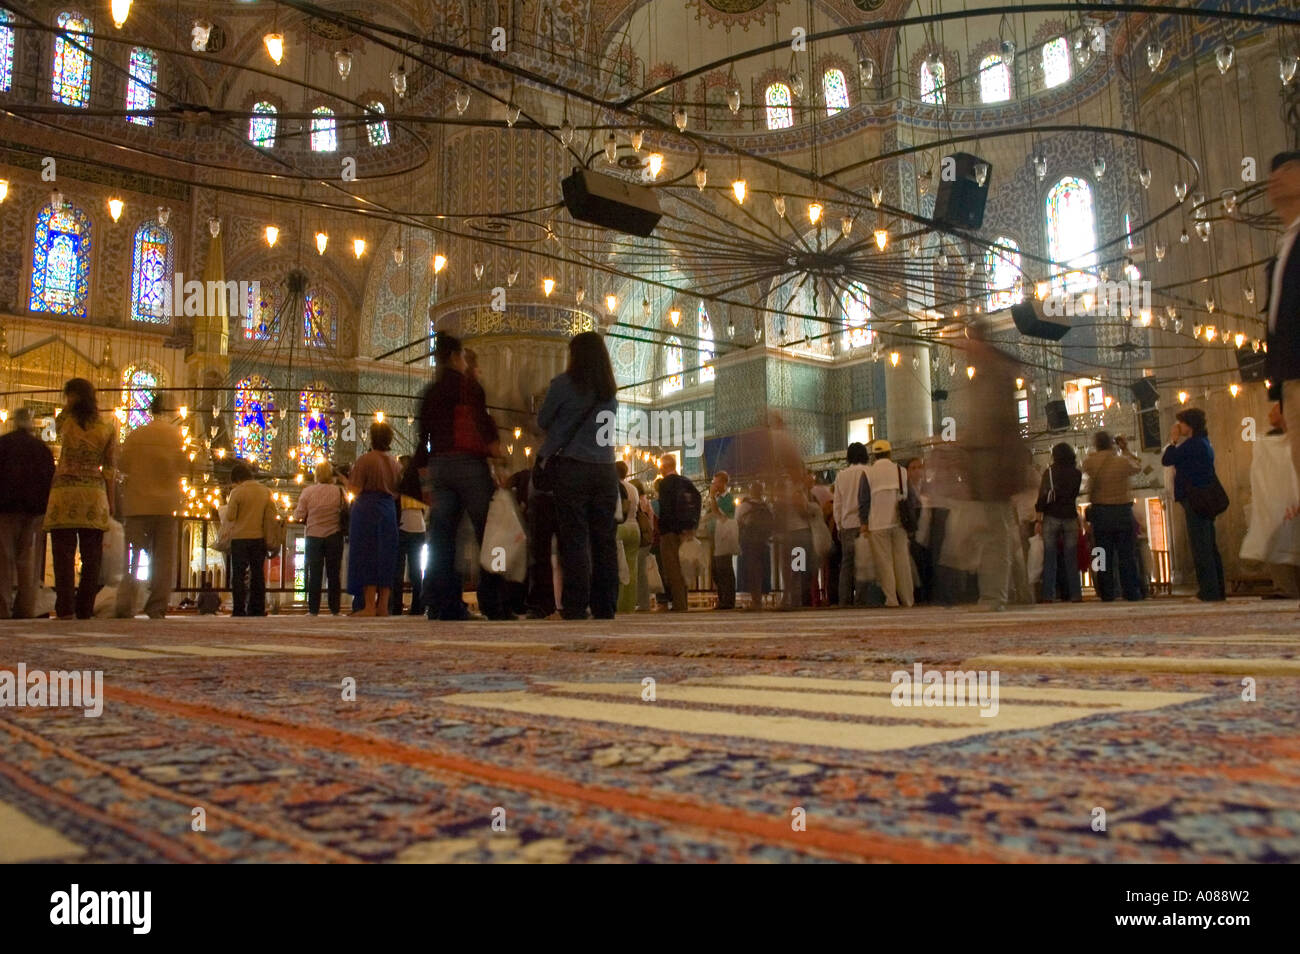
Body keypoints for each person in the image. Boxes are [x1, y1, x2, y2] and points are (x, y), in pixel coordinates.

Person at [414, 332, 502, 621]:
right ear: (455, 356)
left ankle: (443, 604)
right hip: (469, 466)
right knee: (486, 533)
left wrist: (426, 475)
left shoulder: (431, 392)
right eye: (463, 356)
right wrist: (496, 454)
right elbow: (482, 422)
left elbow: (422, 437)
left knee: (442, 537)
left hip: (439, 466)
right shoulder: (468, 387)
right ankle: (494, 603)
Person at [536, 331, 620, 619]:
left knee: (574, 539)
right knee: (604, 539)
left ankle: (575, 605)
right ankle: (605, 605)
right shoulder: (610, 392)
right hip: (606, 471)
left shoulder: (562, 385)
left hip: (573, 468)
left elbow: (542, 420)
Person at [44, 378, 117, 620]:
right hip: (94, 496)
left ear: (72, 397)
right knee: (92, 557)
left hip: (64, 494)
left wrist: (68, 406)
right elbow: (109, 470)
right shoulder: (107, 428)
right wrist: (112, 501)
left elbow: (47, 436)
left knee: (63, 555)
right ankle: (85, 609)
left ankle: (65, 608)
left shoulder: (63, 421)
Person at [115, 394, 187, 620]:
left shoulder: (136, 435)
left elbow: (123, 464)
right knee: (162, 559)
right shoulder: (175, 436)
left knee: (132, 558)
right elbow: (183, 466)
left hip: (137, 503)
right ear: (168, 410)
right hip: (165, 505)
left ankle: (126, 604)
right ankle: (156, 607)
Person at [1263, 151, 1300, 492]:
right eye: (1272, 172)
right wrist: (1278, 392)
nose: (1275, 176)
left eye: (1287, 169)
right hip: (1293, 379)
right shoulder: (1283, 247)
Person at [1162, 408, 1226, 602]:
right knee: (1209, 546)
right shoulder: (1205, 443)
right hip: (1205, 499)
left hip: (1195, 500)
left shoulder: (1192, 445)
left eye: (1180, 423)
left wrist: (1173, 440)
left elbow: (1167, 459)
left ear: (1189, 426)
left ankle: (1208, 591)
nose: (1178, 427)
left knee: (1201, 547)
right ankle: (1216, 590)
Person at [0, 408, 55, 619]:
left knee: (4, 562)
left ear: (14, 422)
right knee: (28, 563)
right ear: (31, 424)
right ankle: (25, 609)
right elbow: (49, 481)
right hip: (34, 514)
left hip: (5, 511)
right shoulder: (41, 449)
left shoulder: (3, 444)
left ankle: (3, 609)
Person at [1241, 402, 1300, 596]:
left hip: (1291, 500)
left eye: (1274, 410)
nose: (1269, 414)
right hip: (1280, 502)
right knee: (1279, 541)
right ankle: (1284, 587)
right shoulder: (1272, 440)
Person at [1082, 431, 1145, 601]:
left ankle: (1106, 592)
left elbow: (1085, 464)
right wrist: (1125, 449)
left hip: (1101, 513)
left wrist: (1097, 452)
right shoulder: (1122, 461)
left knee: (1101, 553)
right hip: (1122, 511)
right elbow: (1138, 466)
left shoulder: (1090, 462)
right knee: (1127, 554)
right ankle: (1131, 591)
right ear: (1112, 443)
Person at [348, 421, 402, 616]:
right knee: (386, 556)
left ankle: (369, 605)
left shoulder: (365, 460)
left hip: (366, 510)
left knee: (367, 555)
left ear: (372, 437)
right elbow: (397, 492)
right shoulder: (395, 464)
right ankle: (383, 606)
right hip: (388, 511)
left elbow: (354, 489)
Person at [857, 439, 914, 608]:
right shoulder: (901, 471)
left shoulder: (868, 473)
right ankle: (908, 600)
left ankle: (892, 600)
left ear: (874, 456)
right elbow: (909, 498)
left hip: (877, 524)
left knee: (885, 564)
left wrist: (864, 523)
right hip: (899, 522)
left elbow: (864, 500)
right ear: (890, 453)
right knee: (902, 562)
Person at [293, 461, 345, 616]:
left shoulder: (308, 491)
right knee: (334, 574)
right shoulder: (339, 491)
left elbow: (299, 514)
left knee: (314, 573)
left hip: (313, 536)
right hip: (334, 535)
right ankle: (335, 609)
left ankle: (313, 609)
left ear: (316, 474)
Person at [1035, 443, 1083, 603]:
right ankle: (1076, 594)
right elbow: (1074, 494)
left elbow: (1042, 496)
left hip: (1051, 516)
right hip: (1070, 516)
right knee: (1071, 558)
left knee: (1050, 558)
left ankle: (1048, 594)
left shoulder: (1049, 472)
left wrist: (1038, 517)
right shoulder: (1077, 473)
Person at [225, 460, 274, 617]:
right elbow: (270, 516)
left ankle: (238, 609)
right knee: (257, 574)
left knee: (238, 575)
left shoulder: (237, 492)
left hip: (239, 538)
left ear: (237, 479)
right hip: (258, 537)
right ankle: (257, 609)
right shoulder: (266, 491)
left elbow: (230, 516)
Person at [653, 456, 700, 613]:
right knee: (684, 567)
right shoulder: (687, 482)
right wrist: (691, 526)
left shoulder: (666, 483)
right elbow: (698, 501)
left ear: (665, 466)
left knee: (673, 569)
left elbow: (666, 509)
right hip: (687, 531)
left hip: (670, 532)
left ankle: (679, 606)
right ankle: (683, 602)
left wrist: (665, 527)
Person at [833, 442, 871, 606]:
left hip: (847, 524)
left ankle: (844, 601)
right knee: (864, 564)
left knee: (847, 566)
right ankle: (861, 601)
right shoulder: (869, 472)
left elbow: (838, 504)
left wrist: (839, 525)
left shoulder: (842, 475)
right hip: (866, 524)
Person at [390, 456, 428, 616]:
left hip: (402, 527)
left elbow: (395, 504)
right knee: (415, 572)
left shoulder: (401, 485)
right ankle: (418, 606)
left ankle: (396, 607)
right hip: (419, 528)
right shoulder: (419, 486)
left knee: (397, 571)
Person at [736, 481, 774, 610]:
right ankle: (760, 599)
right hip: (764, 542)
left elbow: (737, 521)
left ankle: (755, 600)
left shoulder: (745, 506)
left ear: (751, 491)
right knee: (762, 569)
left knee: (752, 570)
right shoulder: (767, 506)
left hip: (749, 541)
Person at [704, 470, 736, 610]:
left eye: (715, 482)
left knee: (725, 569)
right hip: (714, 537)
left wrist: (711, 497)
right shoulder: (716, 499)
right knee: (716, 570)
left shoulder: (728, 499)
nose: (714, 485)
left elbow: (718, 514)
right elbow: (709, 514)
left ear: (723, 483)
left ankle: (728, 600)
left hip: (724, 537)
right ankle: (722, 598)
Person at [615, 461, 641, 614]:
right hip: (634, 527)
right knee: (632, 568)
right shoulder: (633, 488)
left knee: (618, 567)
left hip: (620, 527)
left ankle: (617, 603)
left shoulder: (615, 487)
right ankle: (629, 606)